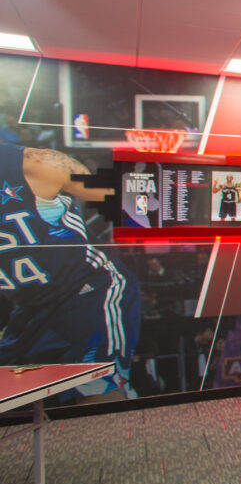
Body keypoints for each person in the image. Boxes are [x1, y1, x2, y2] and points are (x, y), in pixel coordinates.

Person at [0, 143, 140, 400]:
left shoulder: (32, 164)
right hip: (30, 308)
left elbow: (110, 194)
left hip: (88, 290)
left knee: (98, 393)